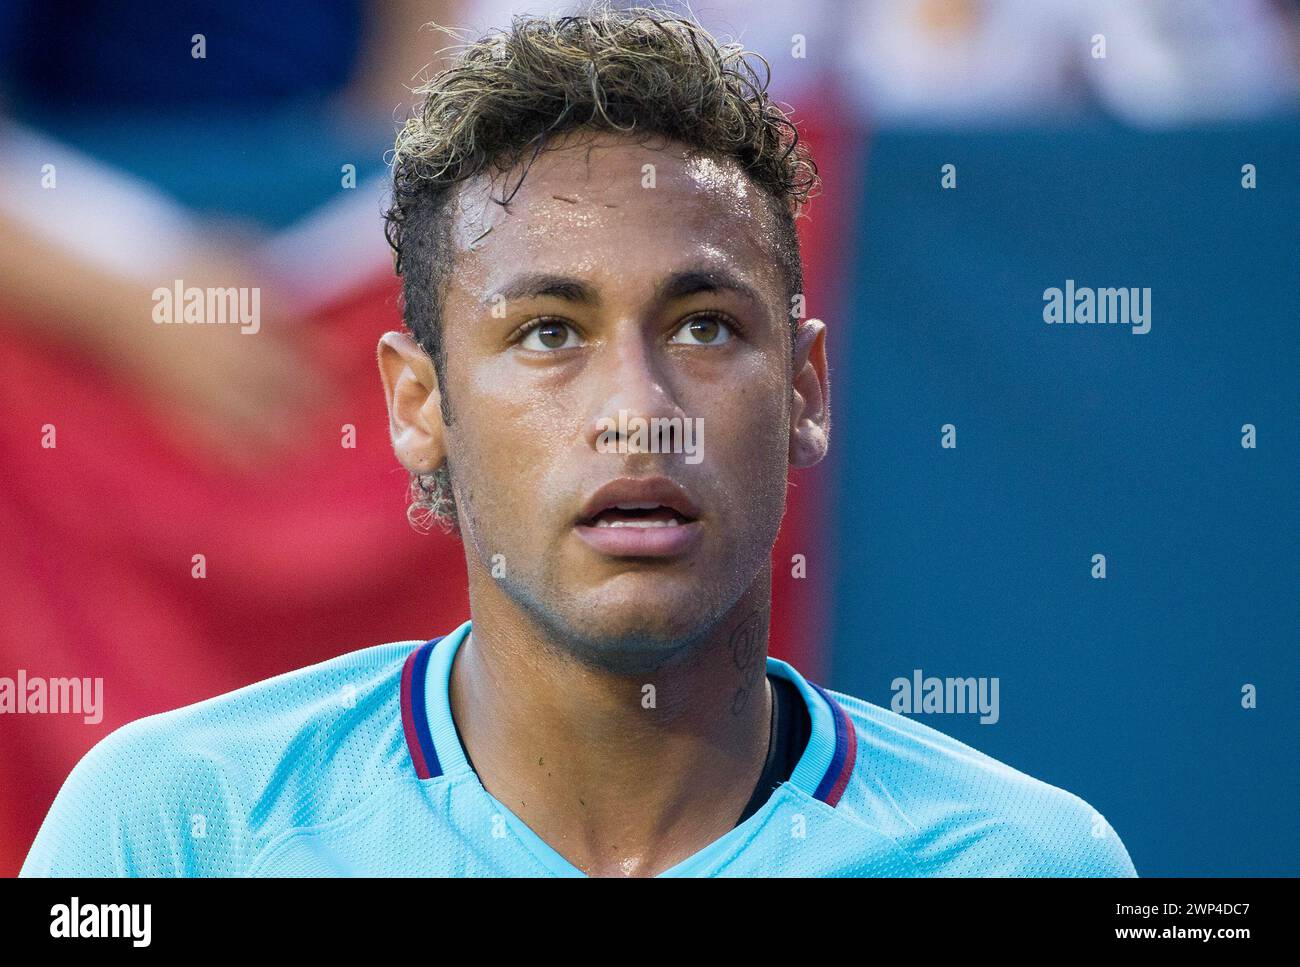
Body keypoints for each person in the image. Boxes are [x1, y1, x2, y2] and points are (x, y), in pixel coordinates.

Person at [20, 3, 1137, 877]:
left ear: (804, 390)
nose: (636, 406)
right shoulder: (169, 829)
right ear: (418, 408)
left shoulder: (1027, 862)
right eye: (549, 331)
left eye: (705, 326)